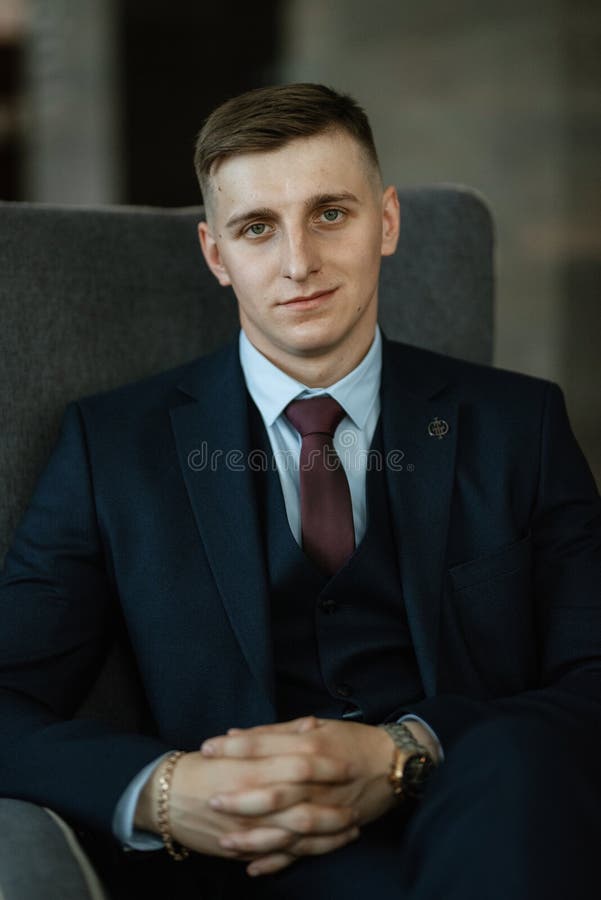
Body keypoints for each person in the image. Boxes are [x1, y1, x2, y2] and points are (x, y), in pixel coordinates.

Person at [1, 83, 600, 900]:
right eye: (257, 227)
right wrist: (167, 790)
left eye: (330, 213)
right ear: (216, 254)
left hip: (486, 818)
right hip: (248, 859)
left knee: (515, 769)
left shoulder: (518, 424)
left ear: (385, 222)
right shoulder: (111, 447)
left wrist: (408, 749)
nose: (298, 263)